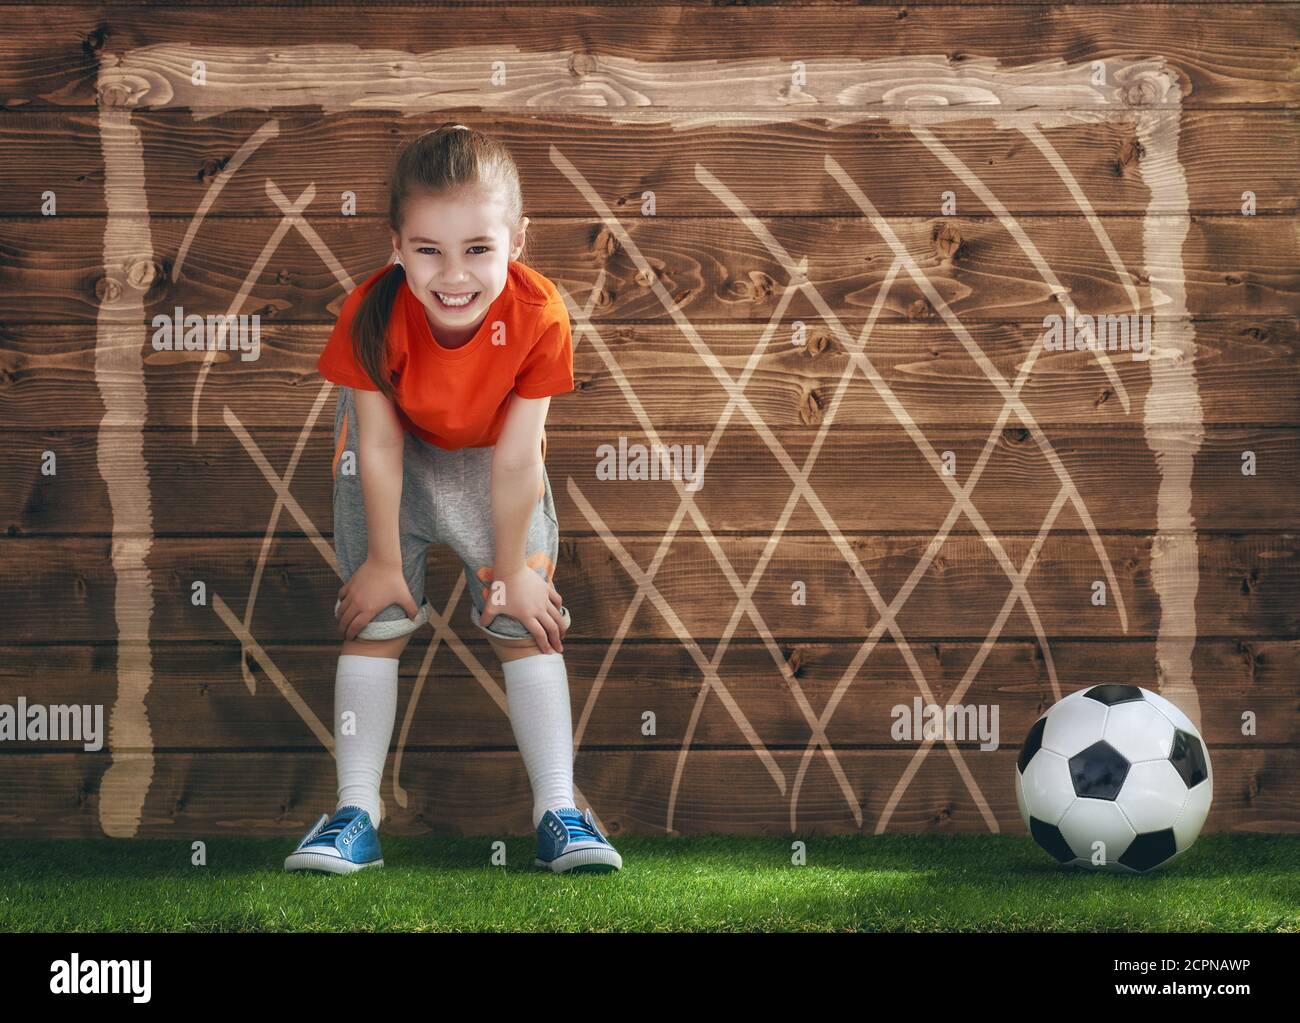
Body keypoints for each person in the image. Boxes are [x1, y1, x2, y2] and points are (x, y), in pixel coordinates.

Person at [283, 123, 621, 875]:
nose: (453, 274)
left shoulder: (541, 316)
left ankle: (559, 809)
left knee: (522, 620)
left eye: (478, 248)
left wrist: (513, 568)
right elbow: (375, 443)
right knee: (377, 621)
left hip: (493, 461)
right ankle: (355, 813)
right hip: (392, 457)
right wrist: (378, 558)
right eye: (428, 249)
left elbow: (517, 455)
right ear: (395, 245)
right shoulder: (371, 312)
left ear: (518, 241)